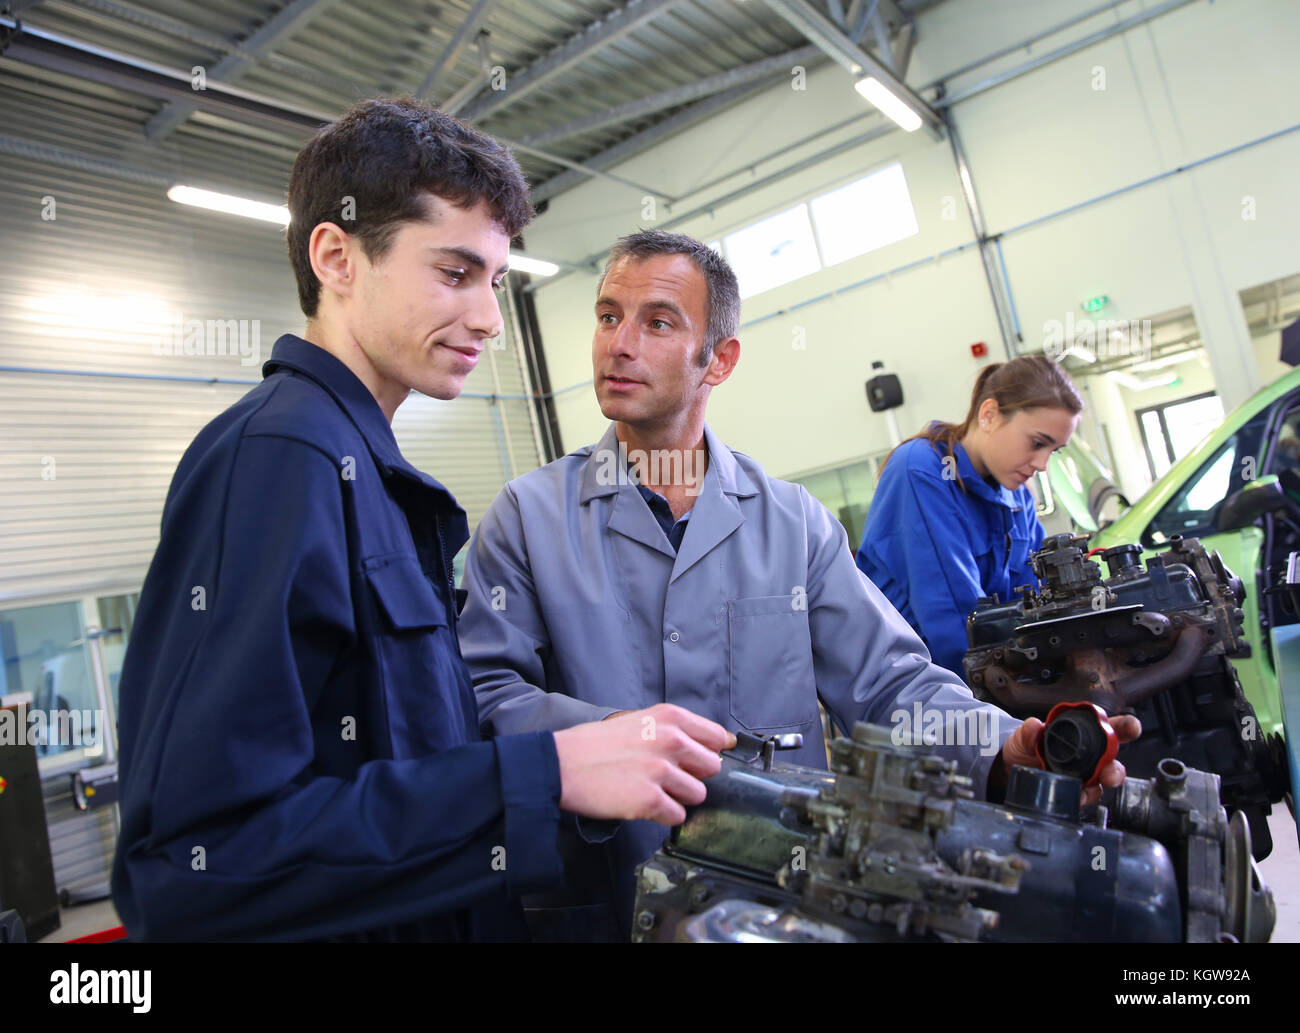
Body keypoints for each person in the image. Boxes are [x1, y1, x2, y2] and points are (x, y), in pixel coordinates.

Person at [110, 100, 735, 943]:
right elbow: (192, 864)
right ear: (336, 256)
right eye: (453, 273)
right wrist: (540, 772)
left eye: (495, 282)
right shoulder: (276, 461)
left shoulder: (369, 475)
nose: (487, 317)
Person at [456, 231, 1136, 940]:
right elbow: (483, 694)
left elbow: (889, 684)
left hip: (783, 900)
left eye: (657, 321)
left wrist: (1002, 745)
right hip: (606, 900)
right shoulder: (528, 518)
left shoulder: (791, 522)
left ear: (719, 358)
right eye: (606, 316)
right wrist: (605, 739)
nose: (618, 344)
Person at [856, 356, 1084, 680]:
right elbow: (957, 622)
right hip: (914, 691)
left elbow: (1036, 599)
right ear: (989, 415)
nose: (1043, 464)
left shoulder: (1017, 494)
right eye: (1037, 443)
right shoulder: (921, 470)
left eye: (1054, 450)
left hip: (986, 678)